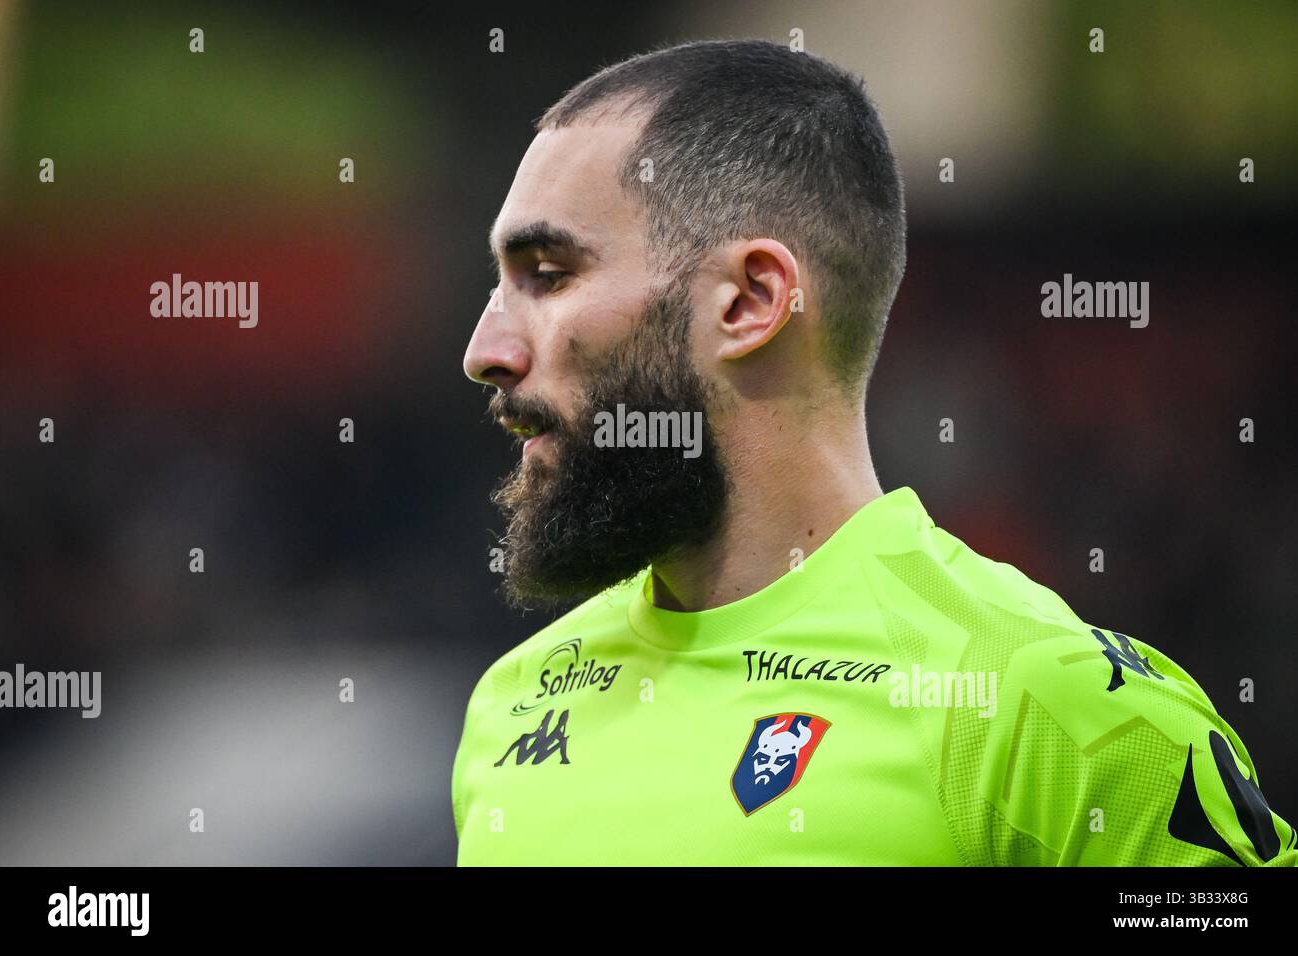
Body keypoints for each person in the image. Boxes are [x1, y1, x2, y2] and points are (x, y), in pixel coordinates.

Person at [453, 39, 1294, 865]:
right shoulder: (515, 701)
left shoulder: (1047, 703)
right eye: (500, 283)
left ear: (749, 301)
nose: (485, 349)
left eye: (549, 273)